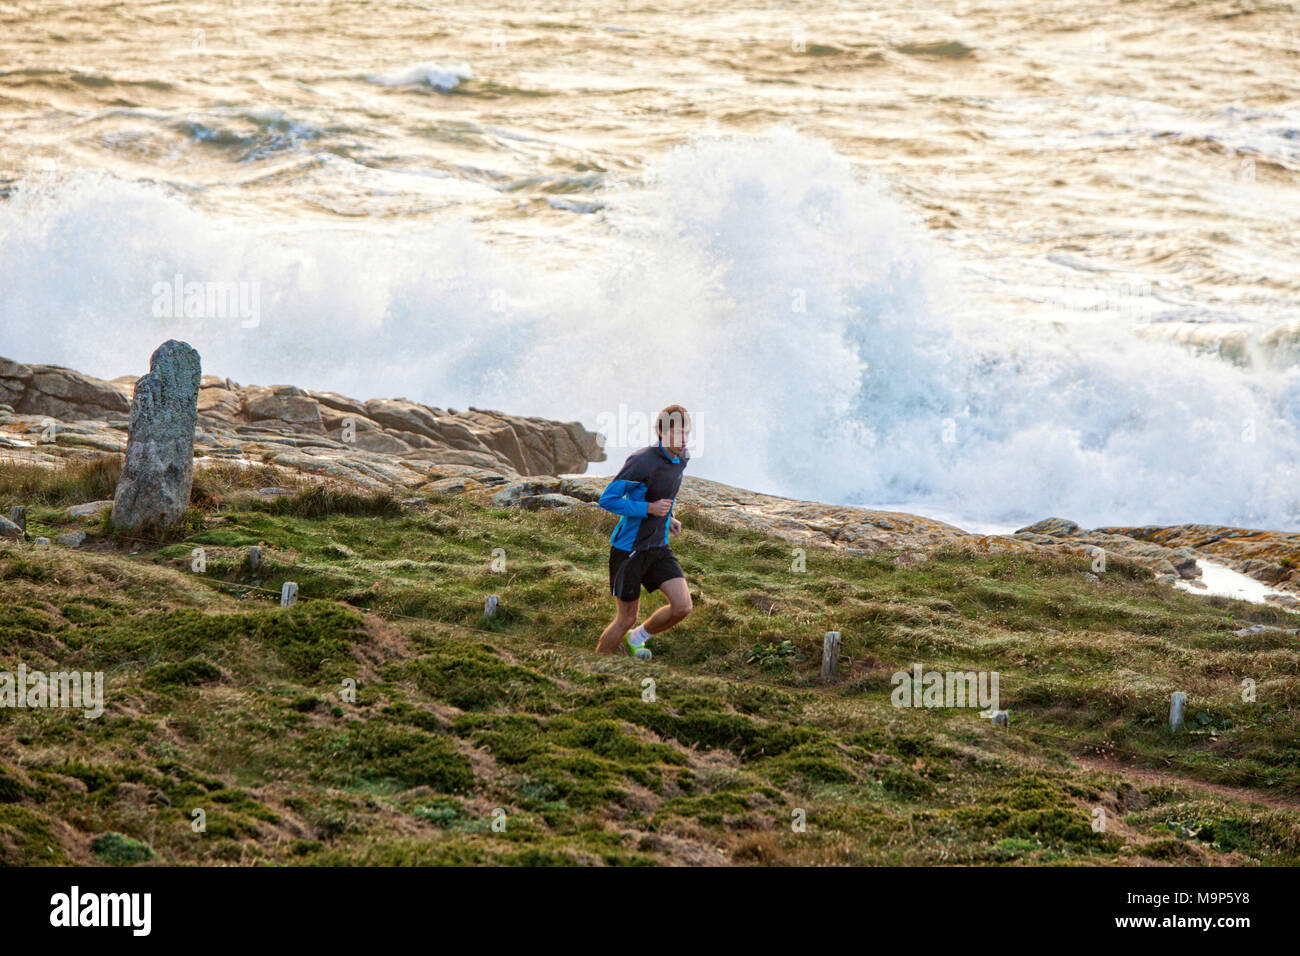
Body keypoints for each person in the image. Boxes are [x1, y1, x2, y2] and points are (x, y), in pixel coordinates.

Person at [594, 404, 692, 657]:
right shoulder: (641, 462)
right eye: (677, 434)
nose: (683, 440)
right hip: (629, 550)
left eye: (687, 433)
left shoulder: (682, 458)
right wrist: (649, 508)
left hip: (658, 546)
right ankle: (595, 667)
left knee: (682, 607)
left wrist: (669, 517)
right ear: (660, 432)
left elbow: (665, 492)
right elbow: (607, 499)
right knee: (626, 617)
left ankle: (635, 639)